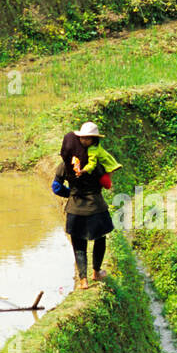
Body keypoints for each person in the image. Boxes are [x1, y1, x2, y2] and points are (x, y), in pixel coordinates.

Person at [52, 121, 115, 288]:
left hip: (75, 209)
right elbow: (107, 184)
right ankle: (96, 272)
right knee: (100, 239)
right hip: (97, 208)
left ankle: (83, 280)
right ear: (95, 141)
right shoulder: (97, 164)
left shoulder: (65, 165)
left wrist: (71, 194)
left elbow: (56, 187)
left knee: (79, 245)